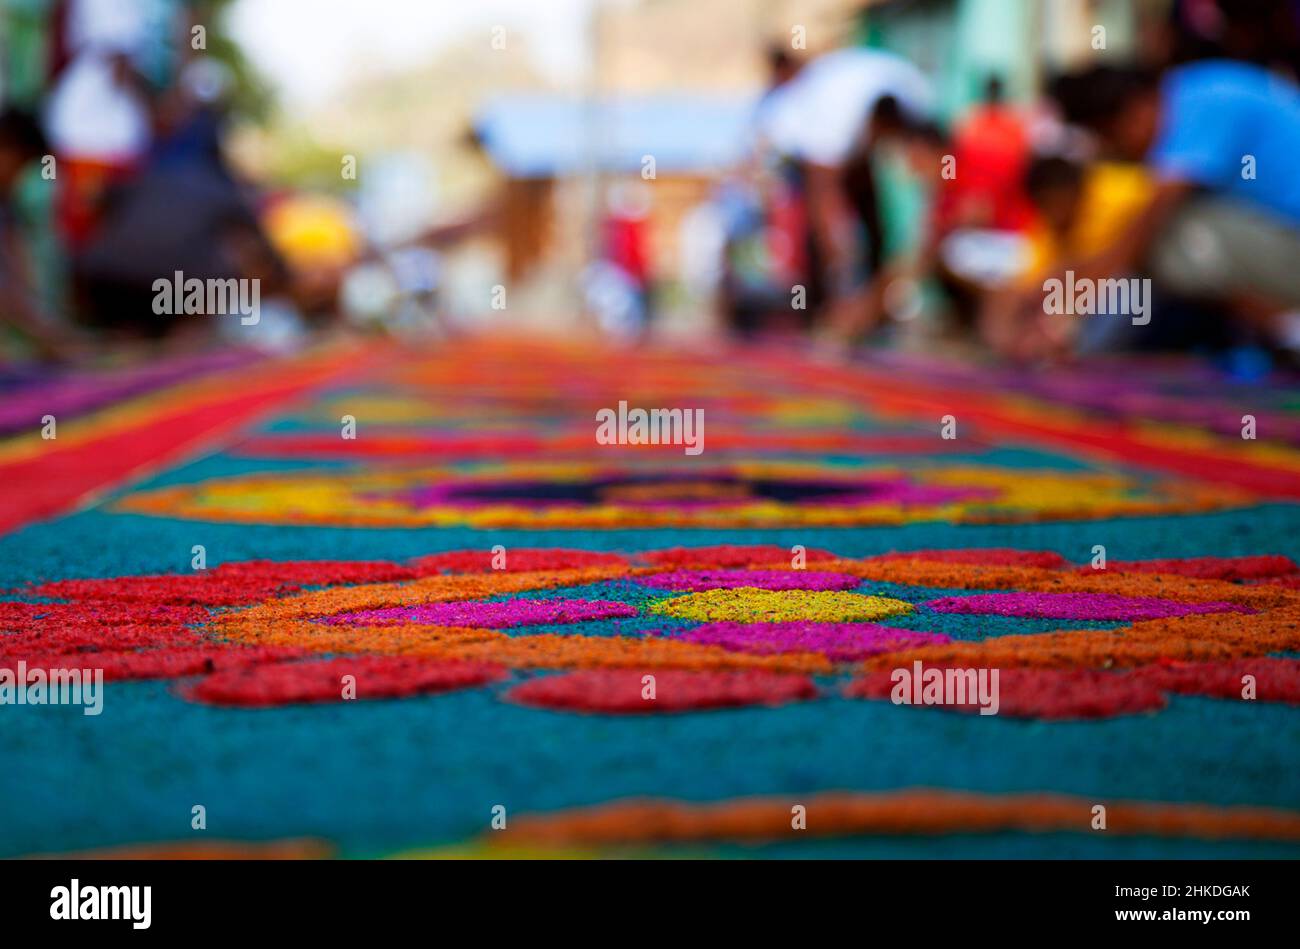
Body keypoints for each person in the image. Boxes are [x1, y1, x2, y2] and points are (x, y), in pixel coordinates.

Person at [995, 61, 1300, 358]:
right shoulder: (1194, 91)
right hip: (1280, 237)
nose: (1120, 151)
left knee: (1172, 241)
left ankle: (1288, 330)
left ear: (1134, 112)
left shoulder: (1202, 107)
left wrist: (1073, 299)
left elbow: (1141, 233)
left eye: (1111, 137)